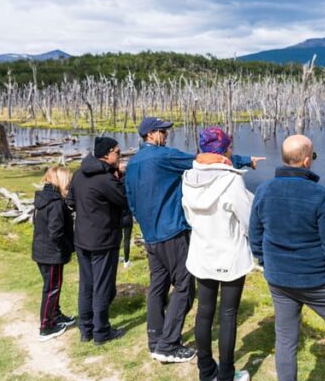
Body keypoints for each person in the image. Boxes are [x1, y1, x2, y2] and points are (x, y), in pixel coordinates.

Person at [125, 116, 263, 364]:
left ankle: (155, 339)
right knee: (184, 287)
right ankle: (168, 345)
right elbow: (203, 160)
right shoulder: (162, 156)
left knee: (157, 286)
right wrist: (244, 161)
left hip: (150, 235)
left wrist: (144, 226)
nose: (166, 136)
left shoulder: (133, 162)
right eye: (162, 132)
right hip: (171, 232)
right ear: (150, 135)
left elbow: (131, 199)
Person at [249, 135, 325, 381]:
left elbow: (255, 236)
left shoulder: (263, 190)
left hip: (280, 280)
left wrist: (266, 263)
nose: (312, 161)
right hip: (319, 281)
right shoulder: (319, 194)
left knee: (285, 338)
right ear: (305, 161)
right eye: (312, 156)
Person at [182, 126, 254, 381]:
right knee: (228, 314)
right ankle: (226, 374)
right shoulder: (231, 179)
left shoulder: (189, 176)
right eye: (230, 146)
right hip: (230, 257)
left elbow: (189, 216)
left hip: (202, 253)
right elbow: (247, 219)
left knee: (204, 312)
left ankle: (205, 370)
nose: (232, 150)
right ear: (223, 150)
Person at [66, 136, 128, 345]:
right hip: (103, 240)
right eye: (118, 153)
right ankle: (101, 332)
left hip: (82, 238)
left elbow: (71, 201)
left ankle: (86, 329)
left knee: (87, 284)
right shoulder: (105, 179)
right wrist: (122, 177)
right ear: (108, 153)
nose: (119, 156)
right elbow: (124, 199)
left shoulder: (79, 174)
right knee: (102, 285)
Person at [31, 165, 77, 342]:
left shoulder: (42, 198)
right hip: (51, 253)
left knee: (52, 287)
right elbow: (56, 231)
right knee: (51, 288)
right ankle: (46, 326)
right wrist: (67, 247)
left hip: (41, 249)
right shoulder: (56, 203)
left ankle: (56, 315)